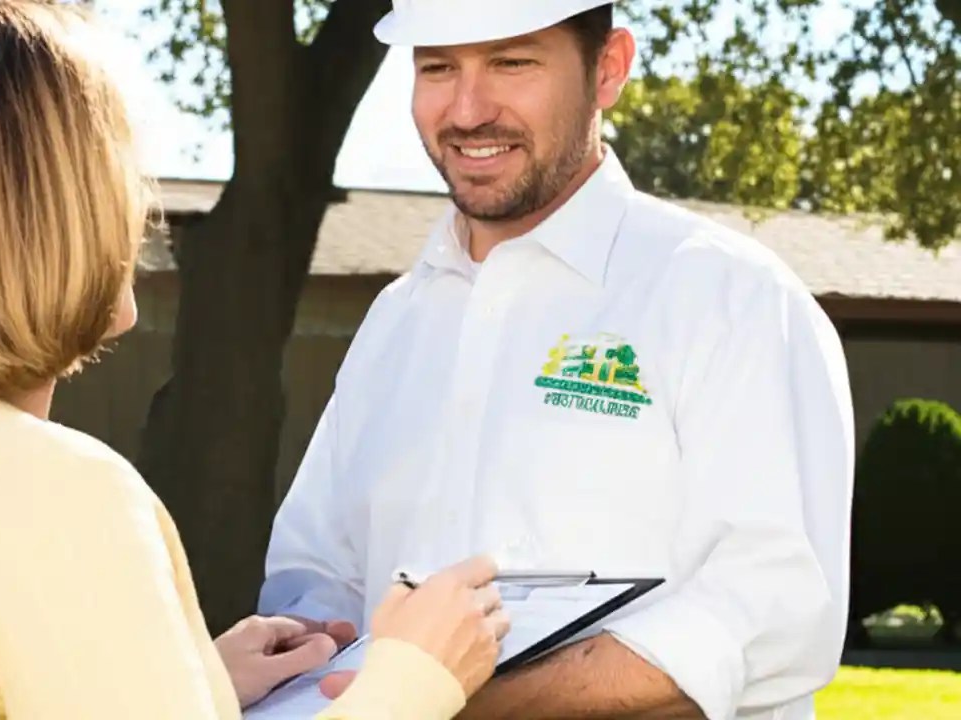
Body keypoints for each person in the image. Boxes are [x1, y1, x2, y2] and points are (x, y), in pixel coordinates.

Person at [0, 1, 510, 718]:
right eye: (117, 174)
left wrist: (193, 686)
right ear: (54, 213)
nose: (135, 206)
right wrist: (414, 678)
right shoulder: (59, 496)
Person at [258, 1, 856, 719]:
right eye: (437, 68)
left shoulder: (730, 299)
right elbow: (316, 571)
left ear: (608, 69)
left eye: (513, 62)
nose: (468, 110)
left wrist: (458, 702)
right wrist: (311, 661)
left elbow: (776, 608)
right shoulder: (397, 321)